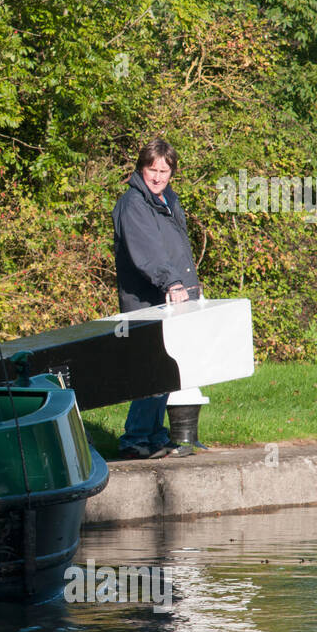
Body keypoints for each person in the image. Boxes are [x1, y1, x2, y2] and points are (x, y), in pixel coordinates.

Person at [112, 137, 201, 459]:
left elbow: (177, 250)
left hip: (174, 296)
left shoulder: (167, 200)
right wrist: (173, 283)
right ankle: (135, 439)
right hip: (147, 300)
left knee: (166, 369)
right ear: (141, 168)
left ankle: (155, 436)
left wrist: (190, 288)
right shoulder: (134, 204)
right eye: (153, 169)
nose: (158, 176)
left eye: (165, 170)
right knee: (151, 369)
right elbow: (147, 254)